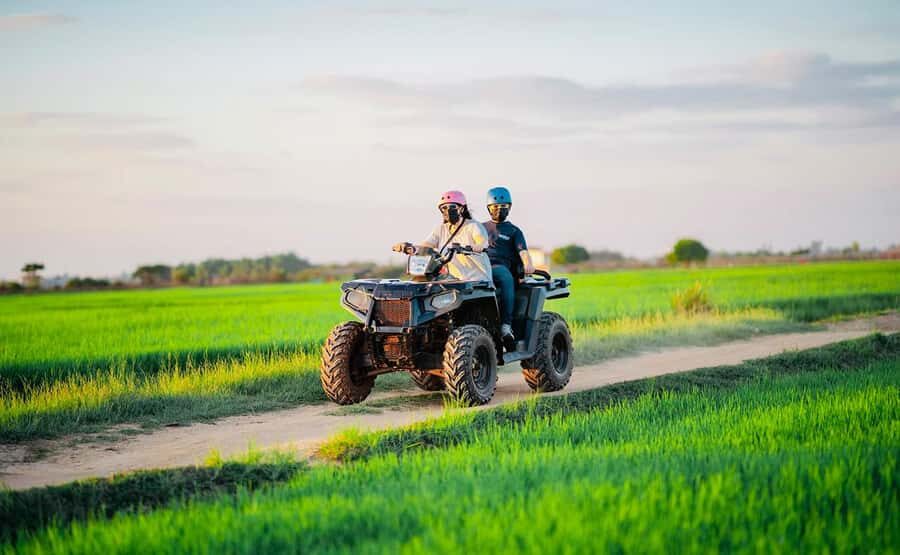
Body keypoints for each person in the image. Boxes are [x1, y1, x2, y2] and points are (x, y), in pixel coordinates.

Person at [397, 190, 492, 283]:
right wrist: (408, 247)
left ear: (462, 209)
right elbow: (426, 246)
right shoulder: (441, 229)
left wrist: (467, 248)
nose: (448, 210)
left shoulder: (473, 226)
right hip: (454, 280)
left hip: (477, 281)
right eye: (444, 208)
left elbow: (483, 244)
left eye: (452, 207)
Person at [482, 186, 534, 343]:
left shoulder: (514, 231)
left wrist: (528, 264)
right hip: (478, 266)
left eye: (503, 206)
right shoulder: (479, 228)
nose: (499, 210)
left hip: (499, 267)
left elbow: (523, 251)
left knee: (505, 277)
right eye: (495, 206)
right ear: (489, 208)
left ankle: (506, 325)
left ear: (509, 208)